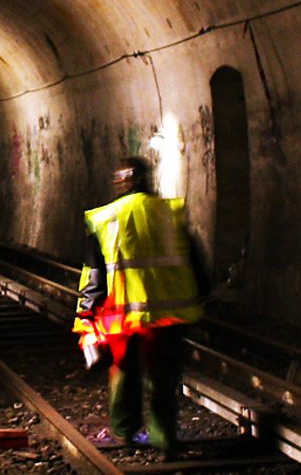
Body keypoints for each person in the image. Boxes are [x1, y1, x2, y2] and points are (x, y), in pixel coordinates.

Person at [73, 156, 208, 462]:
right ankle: (164, 439)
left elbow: (93, 277)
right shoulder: (169, 214)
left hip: (122, 317)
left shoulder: (106, 219)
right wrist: (201, 299)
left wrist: (86, 314)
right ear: (148, 180)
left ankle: (125, 430)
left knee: (123, 371)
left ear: (119, 183)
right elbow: (196, 263)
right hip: (169, 316)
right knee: (163, 379)